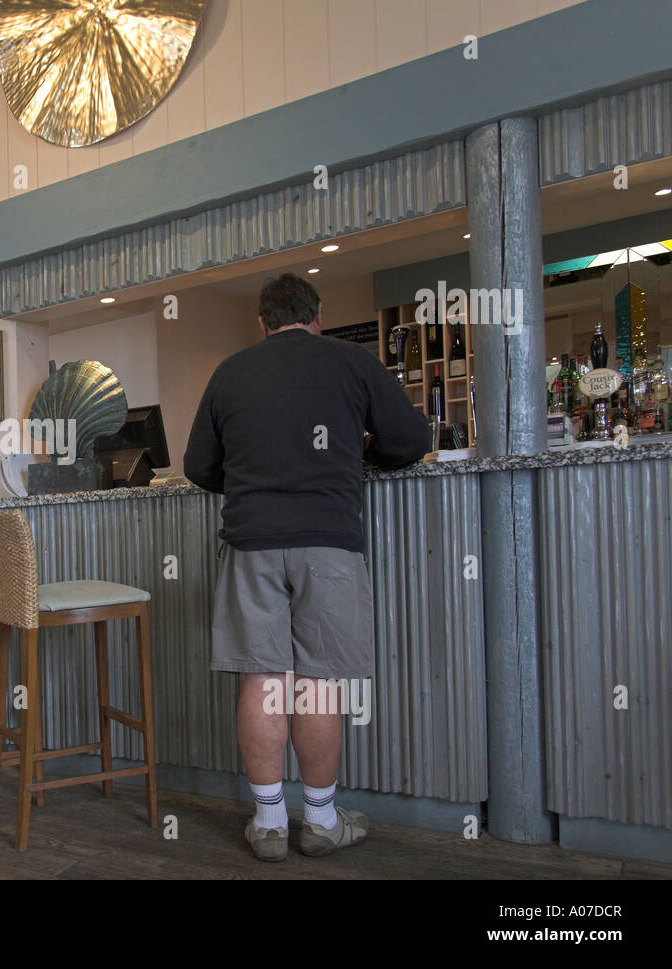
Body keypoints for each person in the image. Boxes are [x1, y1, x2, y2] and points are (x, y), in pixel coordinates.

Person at [183, 273, 430, 862]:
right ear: (317, 314)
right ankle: (320, 821)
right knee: (318, 682)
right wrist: (360, 452)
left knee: (261, 679)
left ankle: (269, 824)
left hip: (251, 544)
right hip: (329, 542)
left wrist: (248, 479)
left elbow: (197, 465)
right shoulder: (352, 361)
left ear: (262, 321)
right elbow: (412, 440)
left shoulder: (230, 371)